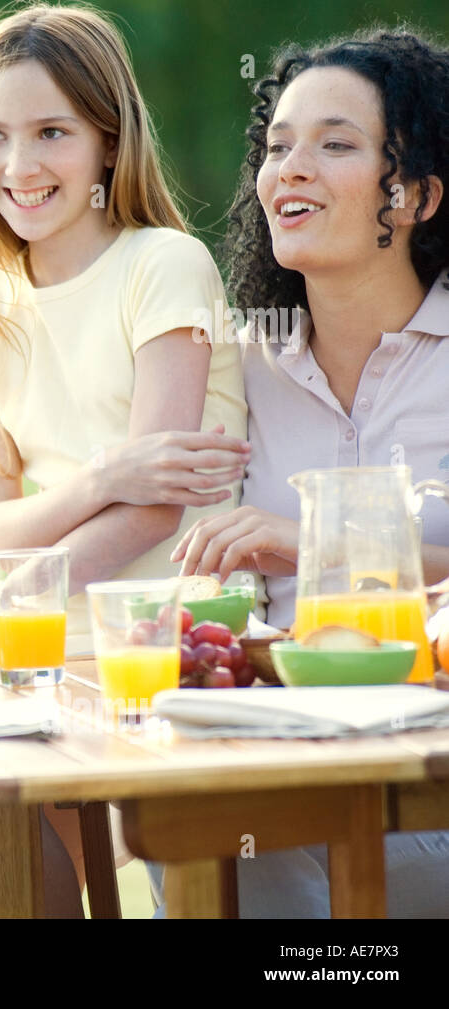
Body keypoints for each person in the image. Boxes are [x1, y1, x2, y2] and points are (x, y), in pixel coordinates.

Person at [0, 4, 249, 914]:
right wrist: (104, 478)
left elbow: (161, 511)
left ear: (107, 144)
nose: (18, 165)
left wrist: (3, 606)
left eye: (51, 133)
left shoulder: (163, 265)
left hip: (178, 624)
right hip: (46, 632)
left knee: (168, 858)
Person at [170, 27, 449, 918]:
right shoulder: (238, 367)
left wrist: (312, 543)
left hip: (426, 774)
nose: (291, 167)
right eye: (278, 145)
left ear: (413, 193)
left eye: (335, 144)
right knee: (194, 836)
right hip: (267, 769)